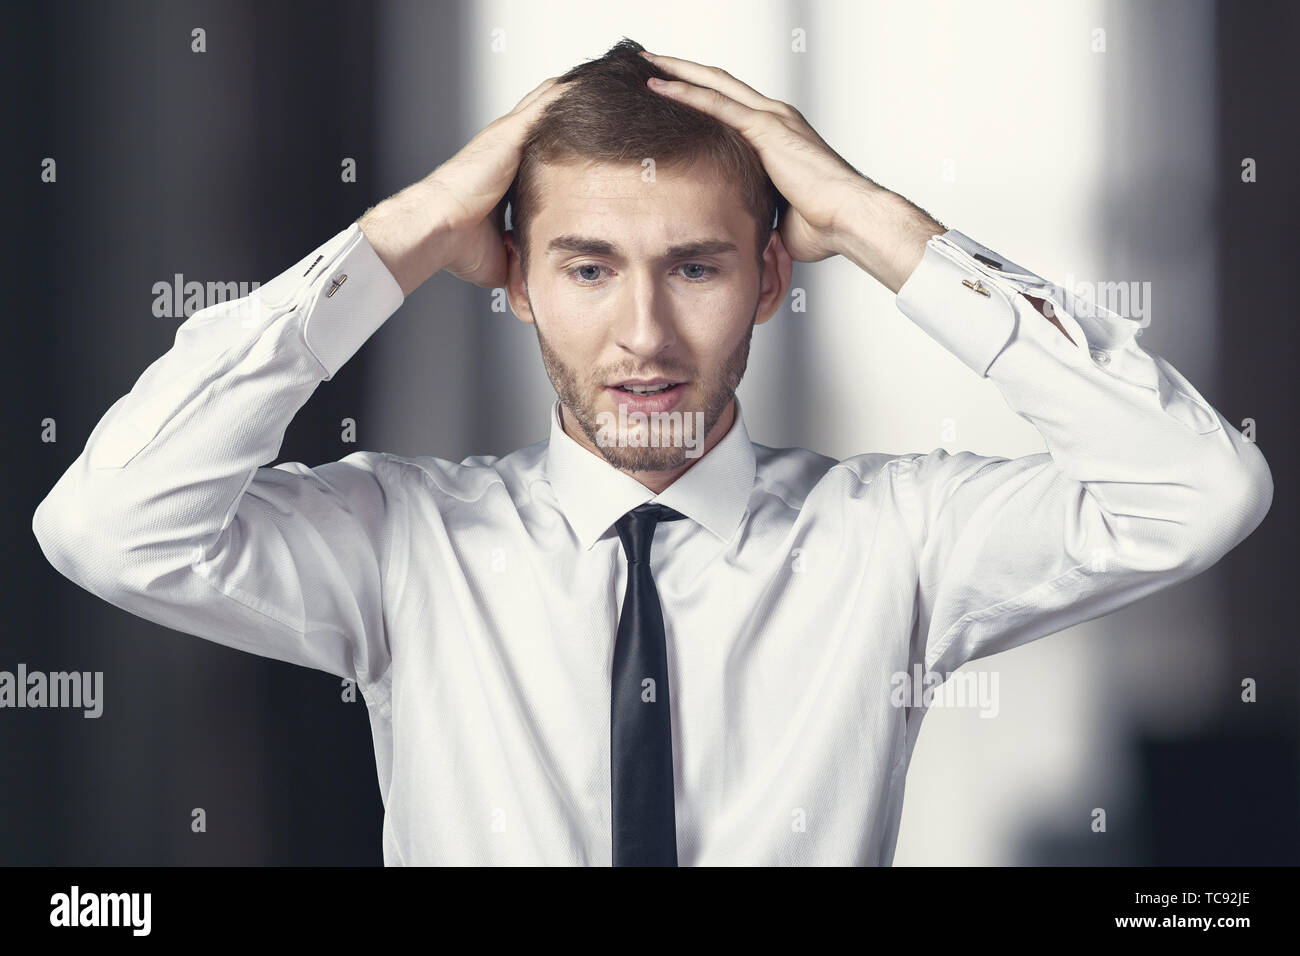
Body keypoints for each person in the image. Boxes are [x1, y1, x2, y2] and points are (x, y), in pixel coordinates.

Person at [31, 39, 1272, 866]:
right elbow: (107, 524)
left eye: (695, 265)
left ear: (772, 275)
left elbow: (1199, 488)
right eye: (585, 267)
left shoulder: (896, 541)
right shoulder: (403, 541)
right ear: (512, 278)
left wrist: (892, 230)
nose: (643, 333)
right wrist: (396, 239)